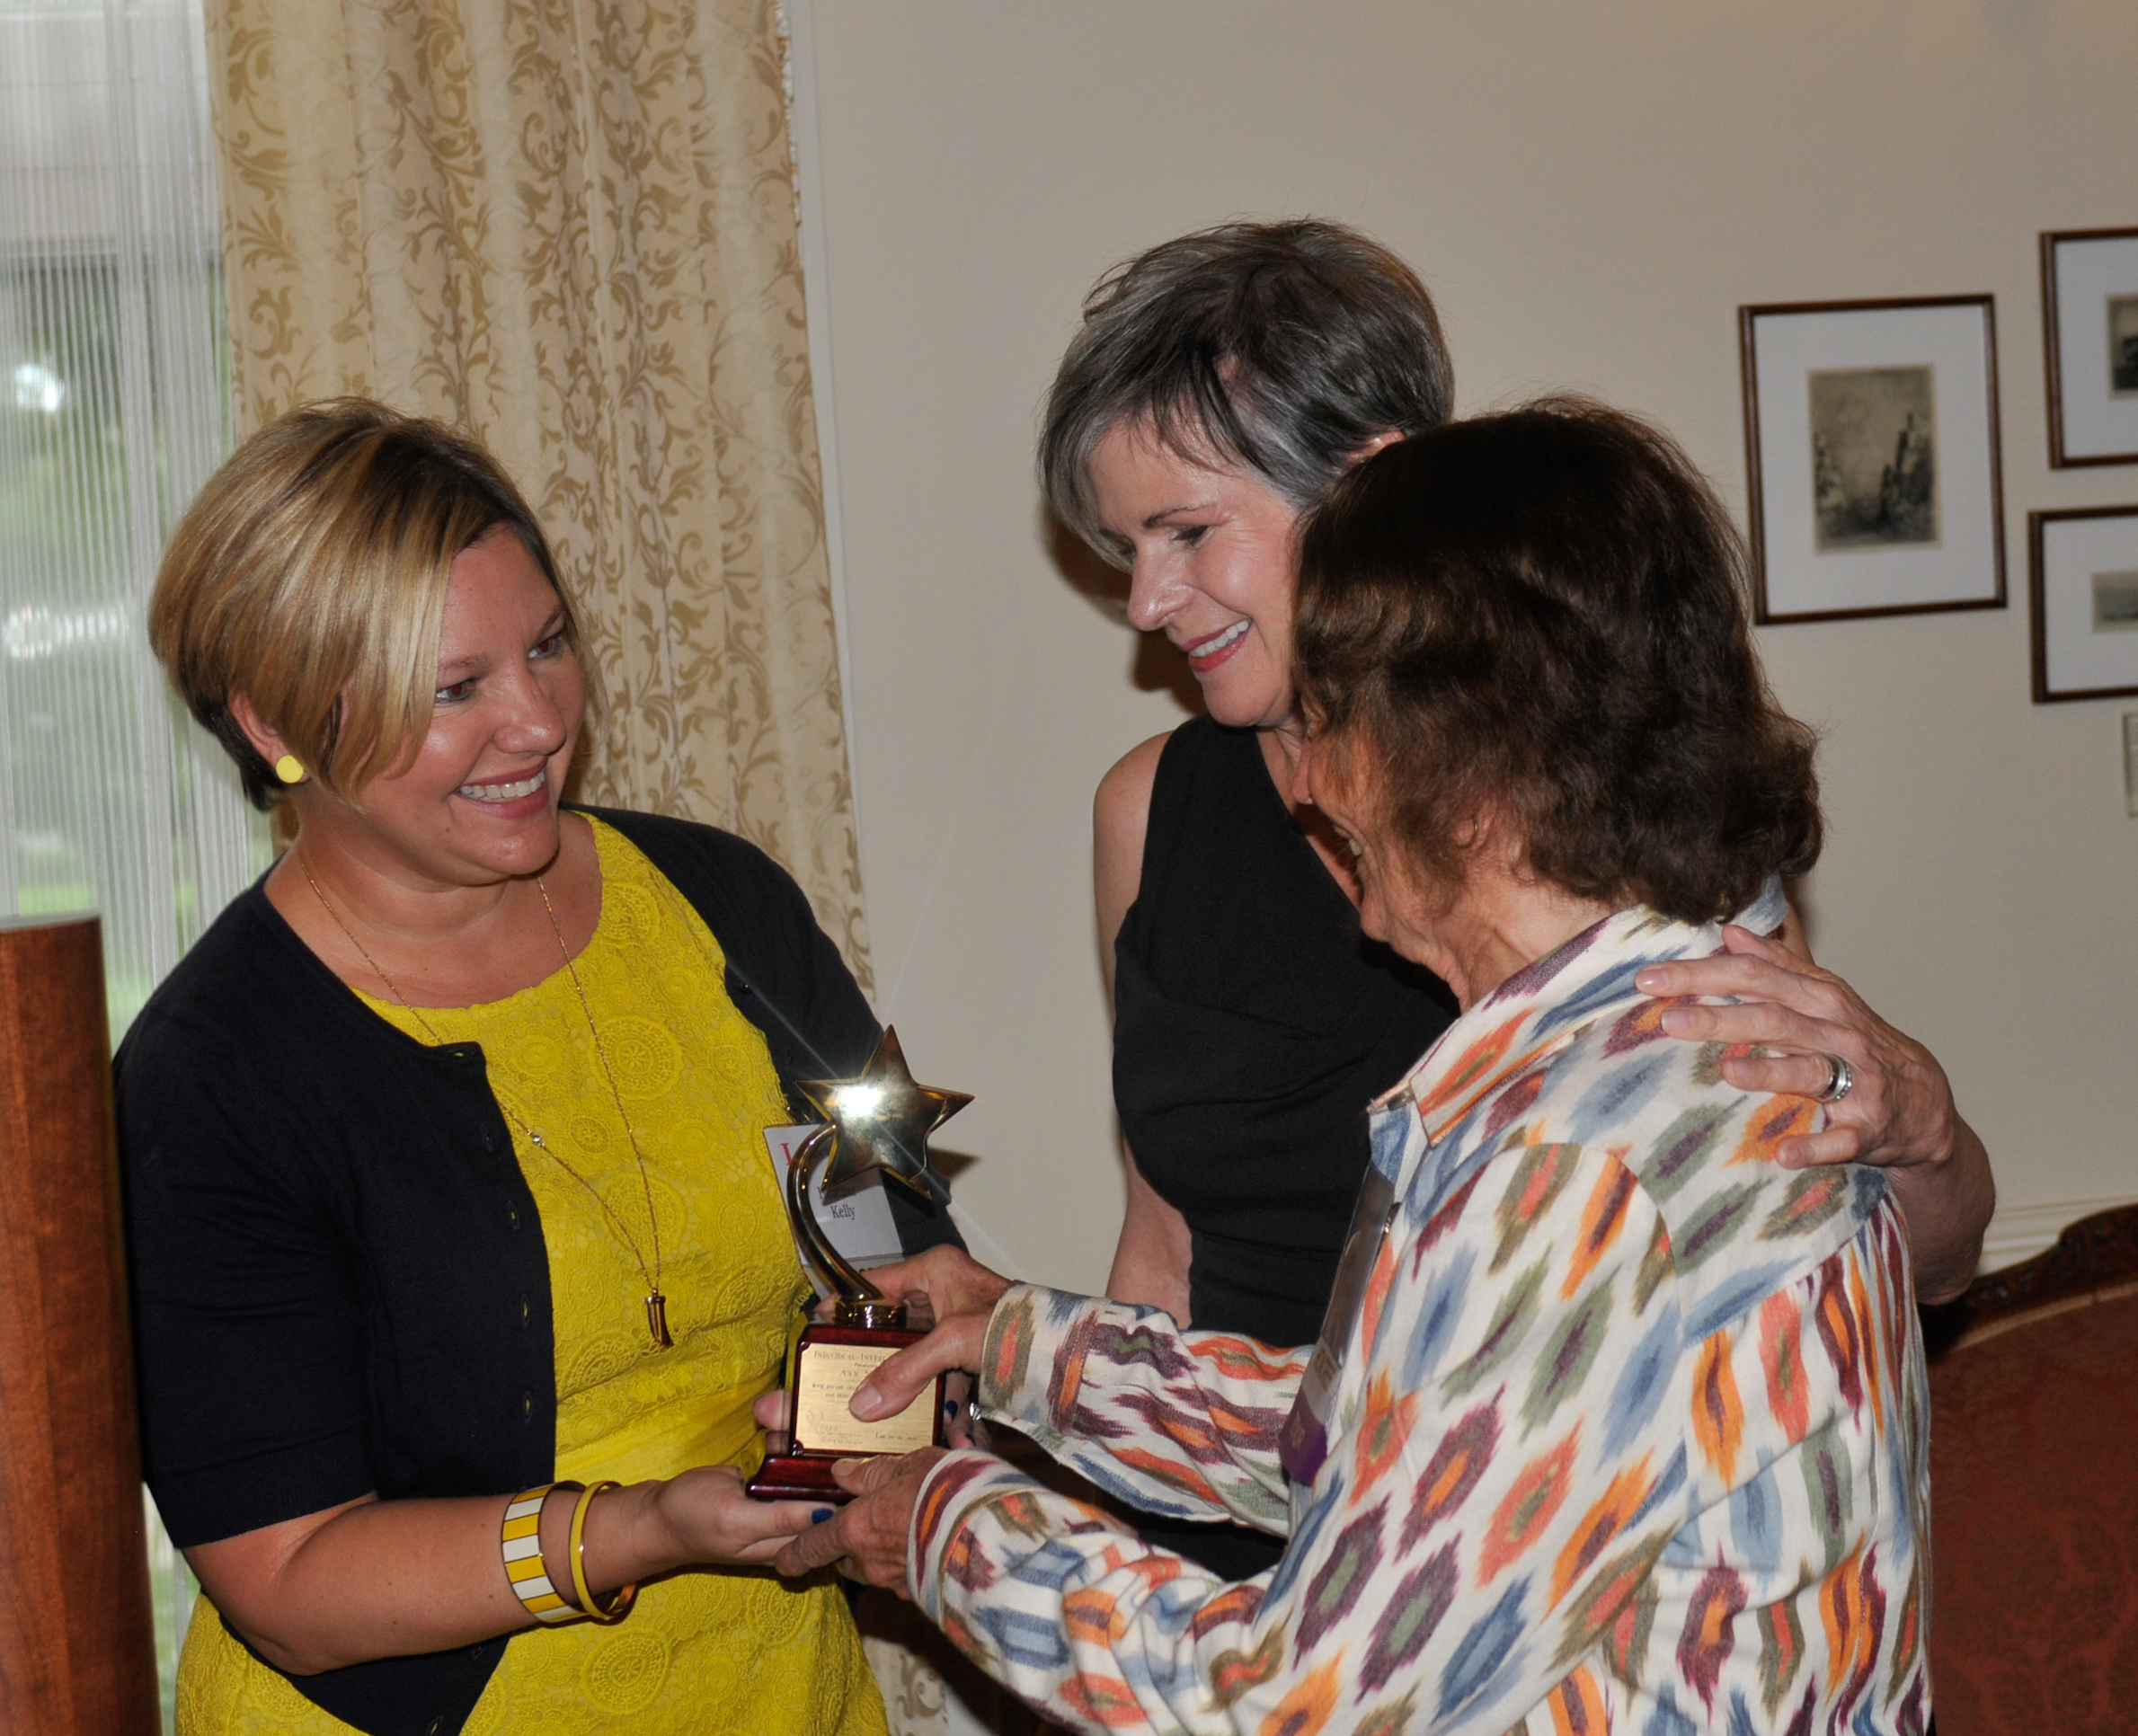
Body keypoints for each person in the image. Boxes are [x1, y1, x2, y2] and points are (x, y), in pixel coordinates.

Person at [778, 400, 1933, 1734]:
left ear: (1473, 777)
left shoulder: (1572, 1161)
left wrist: (937, 1522)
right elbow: (1411, 1447)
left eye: (1333, 718)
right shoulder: (1667, 1039)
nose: (1307, 776)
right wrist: (1021, 1345)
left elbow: (1296, 1706)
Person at [120, 400, 957, 1736]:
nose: (536, 723)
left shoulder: (721, 899)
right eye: (454, 690)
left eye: (549, 646)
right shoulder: (210, 1078)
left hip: (778, 1694)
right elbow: (284, 1580)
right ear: (273, 724)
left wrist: (892, 1423)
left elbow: (894, 1244)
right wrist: (635, 1533)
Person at [1052, 218, 1993, 1347]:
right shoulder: (1151, 812)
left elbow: (1907, 1249)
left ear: (1373, 486)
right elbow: (1161, 1251)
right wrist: (1078, 1425)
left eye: (1187, 533)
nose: (1147, 603)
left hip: (1511, 1482)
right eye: (1127, 552)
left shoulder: (1589, 786)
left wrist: (1927, 1130)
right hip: (1221, 1479)